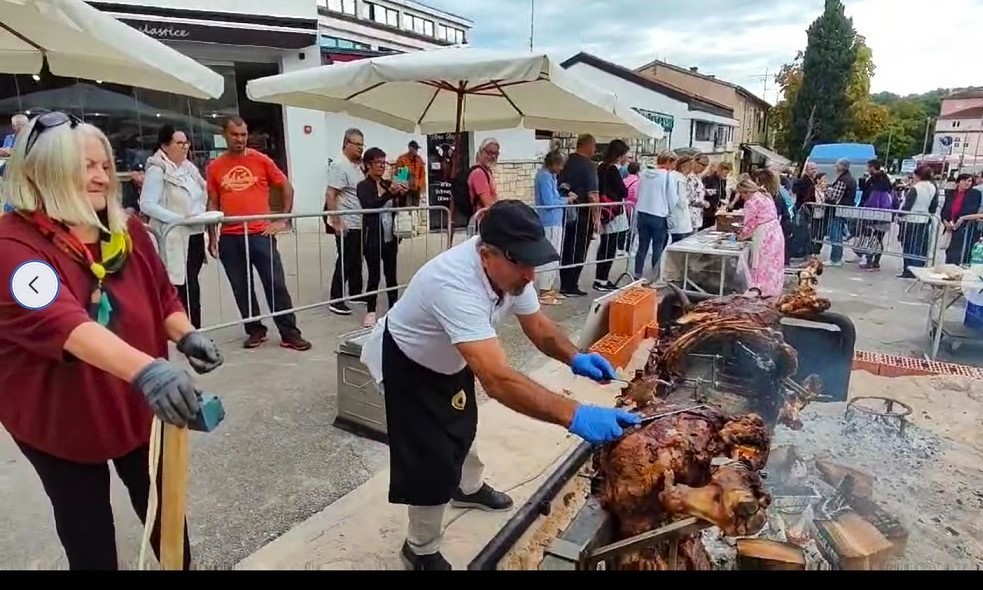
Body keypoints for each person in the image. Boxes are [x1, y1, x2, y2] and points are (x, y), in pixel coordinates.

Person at [359, 199, 640, 570]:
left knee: (462, 426)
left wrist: (575, 357)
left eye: (533, 262)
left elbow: (538, 326)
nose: (529, 275)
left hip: (452, 356)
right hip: (410, 364)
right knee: (432, 458)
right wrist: (575, 414)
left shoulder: (512, 270)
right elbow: (498, 380)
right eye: (521, 263)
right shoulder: (453, 283)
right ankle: (420, 548)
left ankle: (467, 488)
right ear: (486, 253)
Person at [0, 112, 224, 569]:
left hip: (139, 406)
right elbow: (66, 324)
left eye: (104, 165)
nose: (101, 176)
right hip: (61, 422)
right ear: (42, 170)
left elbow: (162, 297)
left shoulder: (129, 231)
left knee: (167, 517)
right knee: (89, 535)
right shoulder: (13, 247)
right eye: (86, 166)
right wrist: (150, 370)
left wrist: (186, 335)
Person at [206, 116, 311, 351]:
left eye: (243, 135)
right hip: (231, 237)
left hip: (259, 234)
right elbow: (212, 202)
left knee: (275, 284)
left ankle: (289, 333)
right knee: (241, 287)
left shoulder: (261, 160)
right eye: (235, 135)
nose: (240, 139)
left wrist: (281, 220)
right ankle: (255, 330)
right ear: (225, 135)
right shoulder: (215, 167)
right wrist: (212, 237)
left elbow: (286, 187)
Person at [139, 125, 208, 328]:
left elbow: (201, 193)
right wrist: (176, 218)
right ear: (165, 145)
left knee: (192, 282)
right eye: (179, 143)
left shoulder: (189, 168)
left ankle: (196, 326)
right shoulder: (157, 169)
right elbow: (147, 203)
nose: (184, 147)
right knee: (179, 283)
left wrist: (202, 212)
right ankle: (182, 327)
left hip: (194, 232)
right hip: (174, 236)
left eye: (186, 143)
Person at [356, 147, 409, 328]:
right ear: (368, 165)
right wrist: (390, 193)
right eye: (378, 162)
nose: (381, 166)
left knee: (391, 275)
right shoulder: (363, 186)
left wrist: (402, 193)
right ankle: (371, 311)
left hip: (390, 236)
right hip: (372, 237)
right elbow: (370, 206)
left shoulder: (388, 183)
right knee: (374, 275)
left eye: (383, 162)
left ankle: (394, 309)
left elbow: (398, 205)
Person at [326, 128, 367, 316]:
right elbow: (331, 194)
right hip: (346, 222)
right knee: (345, 260)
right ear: (346, 143)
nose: (360, 148)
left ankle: (356, 293)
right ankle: (336, 299)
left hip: (358, 221)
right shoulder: (339, 165)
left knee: (356, 259)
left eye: (361, 145)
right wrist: (336, 221)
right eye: (357, 144)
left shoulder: (356, 166)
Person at [558, 134, 599, 297]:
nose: (595, 150)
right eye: (594, 146)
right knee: (579, 249)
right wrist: (596, 219)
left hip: (566, 212)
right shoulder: (589, 166)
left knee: (567, 247)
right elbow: (593, 195)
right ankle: (571, 285)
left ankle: (564, 283)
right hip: (582, 214)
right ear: (588, 146)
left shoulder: (566, 162)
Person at [533, 148, 575, 305]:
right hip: (549, 221)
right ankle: (544, 290)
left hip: (555, 220)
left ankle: (548, 286)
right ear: (553, 163)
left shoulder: (550, 176)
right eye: (560, 165)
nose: (561, 169)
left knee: (555, 255)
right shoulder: (544, 177)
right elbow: (549, 201)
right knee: (550, 255)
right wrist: (566, 201)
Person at [736, 178, 786, 297]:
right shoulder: (765, 196)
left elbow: (750, 222)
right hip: (776, 230)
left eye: (741, 194)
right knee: (774, 262)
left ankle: (760, 289)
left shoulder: (751, 202)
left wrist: (742, 235)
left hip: (763, 232)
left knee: (761, 262)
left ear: (746, 191)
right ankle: (773, 289)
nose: (742, 197)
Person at [593, 139, 631, 292]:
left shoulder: (600, 166)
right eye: (624, 155)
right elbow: (623, 191)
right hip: (613, 211)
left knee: (605, 245)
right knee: (609, 246)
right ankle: (602, 279)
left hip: (605, 210)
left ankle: (600, 278)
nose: (626, 158)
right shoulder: (613, 169)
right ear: (619, 154)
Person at [633, 151, 678, 279]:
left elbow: (637, 194)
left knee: (642, 245)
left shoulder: (643, 174)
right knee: (657, 246)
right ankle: (655, 274)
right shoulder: (667, 177)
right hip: (659, 214)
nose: (674, 166)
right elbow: (672, 198)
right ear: (668, 162)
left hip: (642, 212)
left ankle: (637, 273)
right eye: (673, 163)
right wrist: (670, 210)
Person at [941, 173, 983, 266]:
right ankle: (949, 267)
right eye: (964, 180)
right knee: (949, 250)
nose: (967, 183)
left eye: (969, 181)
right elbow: (944, 210)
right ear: (959, 182)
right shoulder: (951, 194)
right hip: (950, 225)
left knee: (959, 251)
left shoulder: (974, 194)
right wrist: (945, 221)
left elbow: (972, 209)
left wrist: (962, 219)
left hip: (964, 227)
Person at [668, 154, 695, 243]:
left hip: (673, 214)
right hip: (679, 217)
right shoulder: (680, 178)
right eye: (690, 165)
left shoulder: (672, 175)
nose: (691, 168)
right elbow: (681, 201)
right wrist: (689, 200)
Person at [392, 139, 426, 207]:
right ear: (410, 148)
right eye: (415, 148)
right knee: (407, 210)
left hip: (416, 190)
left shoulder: (419, 159)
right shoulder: (402, 159)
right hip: (406, 192)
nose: (416, 151)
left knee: (416, 210)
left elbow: (422, 174)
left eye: (417, 149)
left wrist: (419, 186)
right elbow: (399, 175)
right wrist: (403, 189)